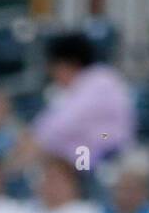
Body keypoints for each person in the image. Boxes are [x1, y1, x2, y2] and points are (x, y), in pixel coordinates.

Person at [25, 31, 136, 168]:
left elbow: (63, 123)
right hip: (90, 155)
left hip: (111, 151)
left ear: (69, 64)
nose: (52, 74)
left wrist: (36, 138)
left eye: (54, 67)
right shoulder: (72, 90)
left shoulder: (100, 79)